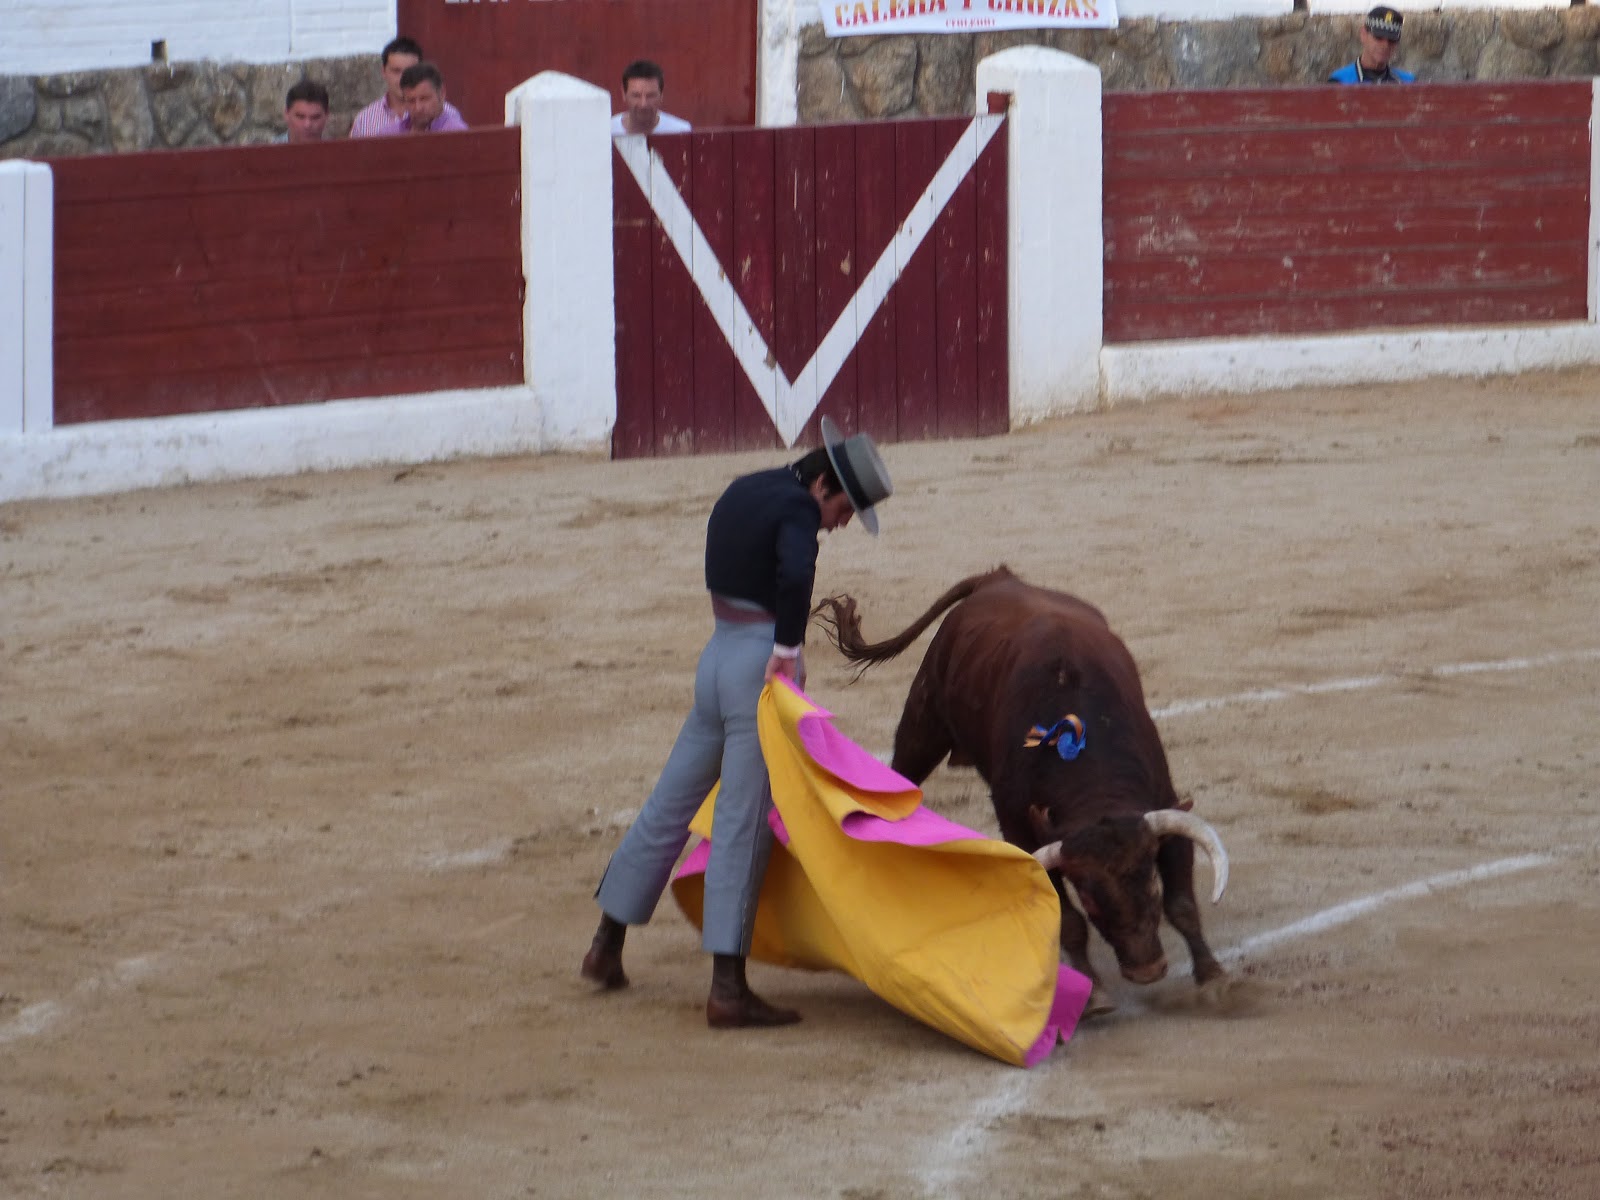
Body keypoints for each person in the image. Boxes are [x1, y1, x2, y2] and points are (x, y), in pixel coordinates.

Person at [580, 417, 893, 1029]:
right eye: (845, 507)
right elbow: (796, 575)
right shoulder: (799, 514)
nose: (843, 521)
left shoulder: (743, 490)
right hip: (756, 669)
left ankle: (605, 947)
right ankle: (727, 989)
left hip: (716, 656)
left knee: (669, 805)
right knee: (743, 821)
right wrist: (785, 646)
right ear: (824, 482)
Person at [350, 35, 424, 137]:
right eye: (396, 71)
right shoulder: (365, 120)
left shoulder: (444, 115)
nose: (403, 79)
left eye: (409, 71)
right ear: (384, 72)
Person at [1329, 7, 1415, 84]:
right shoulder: (1340, 82)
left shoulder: (1407, 83)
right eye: (1378, 37)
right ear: (1363, 34)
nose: (1385, 45)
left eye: (1392, 40)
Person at [611, 59, 691, 136]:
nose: (643, 104)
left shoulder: (680, 132)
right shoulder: (607, 130)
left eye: (651, 96)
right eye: (636, 96)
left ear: (661, 94)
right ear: (624, 94)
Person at [397, 63, 469, 134]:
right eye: (411, 101)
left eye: (424, 99)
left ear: (441, 93)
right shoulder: (390, 133)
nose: (418, 108)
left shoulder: (456, 133)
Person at [279, 80, 329, 144]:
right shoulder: (267, 152)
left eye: (315, 117)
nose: (307, 125)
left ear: (327, 115)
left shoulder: (338, 152)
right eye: (300, 117)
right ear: (286, 114)